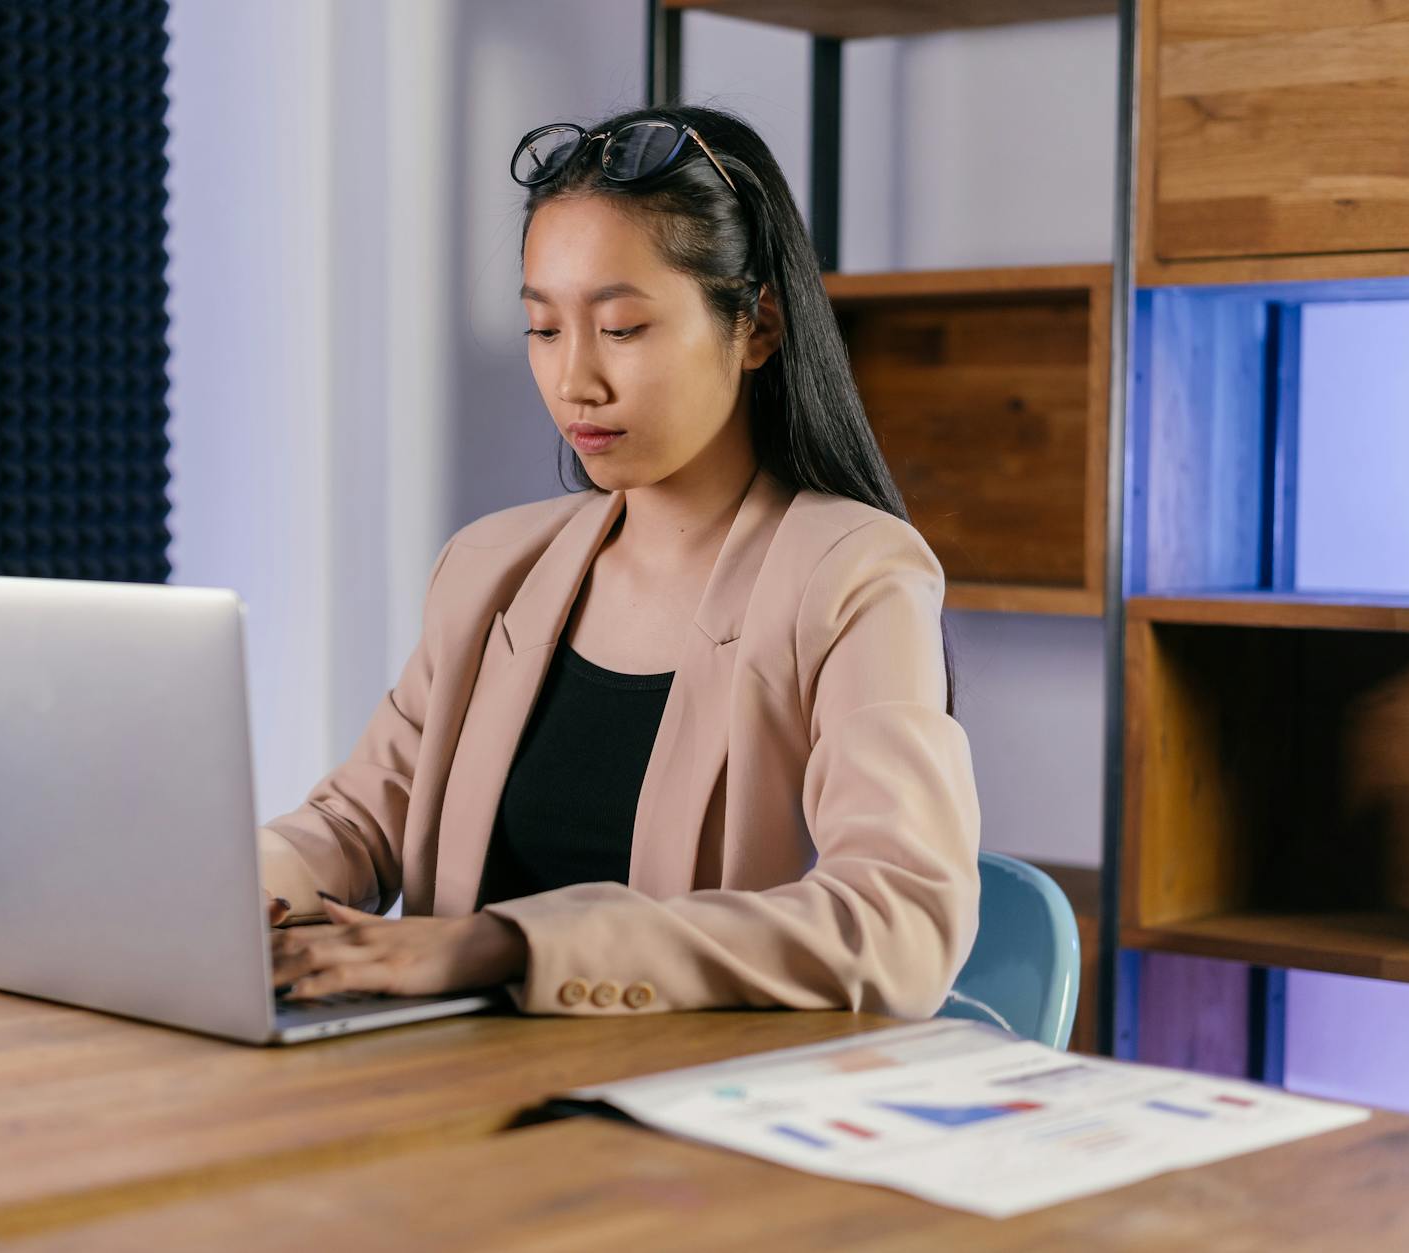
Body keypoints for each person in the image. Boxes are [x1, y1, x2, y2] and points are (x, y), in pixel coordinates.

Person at [260, 104, 980, 1018]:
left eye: (624, 328)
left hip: (688, 1115)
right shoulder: (490, 568)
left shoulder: (852, 575)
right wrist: (225, 892)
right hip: (446, 1092)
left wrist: (504, 945)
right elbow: (354, 824)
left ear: (756, 325)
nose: (575, 381)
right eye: (545, 329)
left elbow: (900, 926)